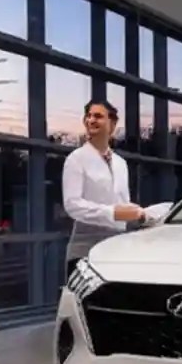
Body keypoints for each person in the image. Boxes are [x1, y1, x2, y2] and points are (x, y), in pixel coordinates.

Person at [61, 99, 144, 277]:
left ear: (112, 124)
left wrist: (140, 216)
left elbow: (123, 204)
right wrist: (113, 213)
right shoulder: (76, 159)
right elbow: (72, 204)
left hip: (117, 251)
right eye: (88, 116)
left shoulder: (121, 164)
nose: (91, 120)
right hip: (85, 252)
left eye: (98, 116)